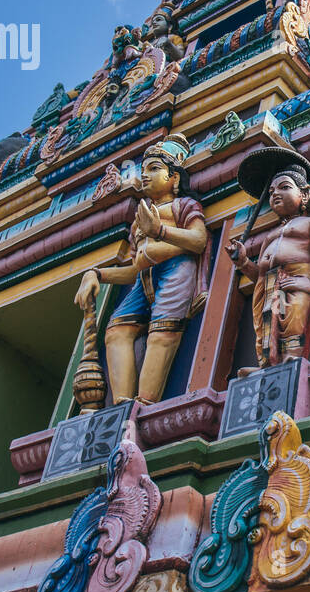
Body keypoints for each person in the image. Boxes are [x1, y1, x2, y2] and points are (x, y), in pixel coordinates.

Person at [74, 133, 210, 404]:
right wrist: (96, 274)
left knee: (162, 334)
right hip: (144, 279)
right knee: (116, 331)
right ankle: (122, 403)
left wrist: (159, 231)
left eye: (154, 169)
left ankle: (145, 403)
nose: (144, 175)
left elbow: (199, 240)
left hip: (175, 270)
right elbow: (134, 268)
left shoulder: (183, 205)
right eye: (143, 170)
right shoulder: (139, 221)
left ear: (174, 178)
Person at [225, 147, 310, 369]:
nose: (275, 194)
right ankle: (267, 364)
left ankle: (292, 358)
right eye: (271, 191)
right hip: (267, 283)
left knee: (293, 320)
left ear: (304, 194)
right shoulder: (270, 236)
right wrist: (243, 262)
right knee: (266, 325)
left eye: (285, 188)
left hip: (296, 276)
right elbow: (258, 272)